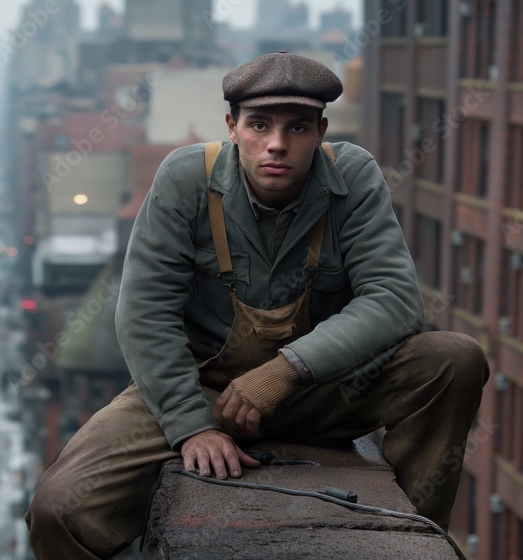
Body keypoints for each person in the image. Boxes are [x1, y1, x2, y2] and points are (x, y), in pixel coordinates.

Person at [26, 51, 489, 559]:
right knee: (58, 508)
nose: (276, 144)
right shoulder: (185, 179)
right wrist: (191, 427)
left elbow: (397, 301)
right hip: (203, 391)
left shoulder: (352, 176)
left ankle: (413, 536)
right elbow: (144, 314)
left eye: (298, 128)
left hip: (320, 391)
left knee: (455, 359)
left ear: (321, 131)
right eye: (260, 124)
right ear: (232, 126)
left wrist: (287, 370)